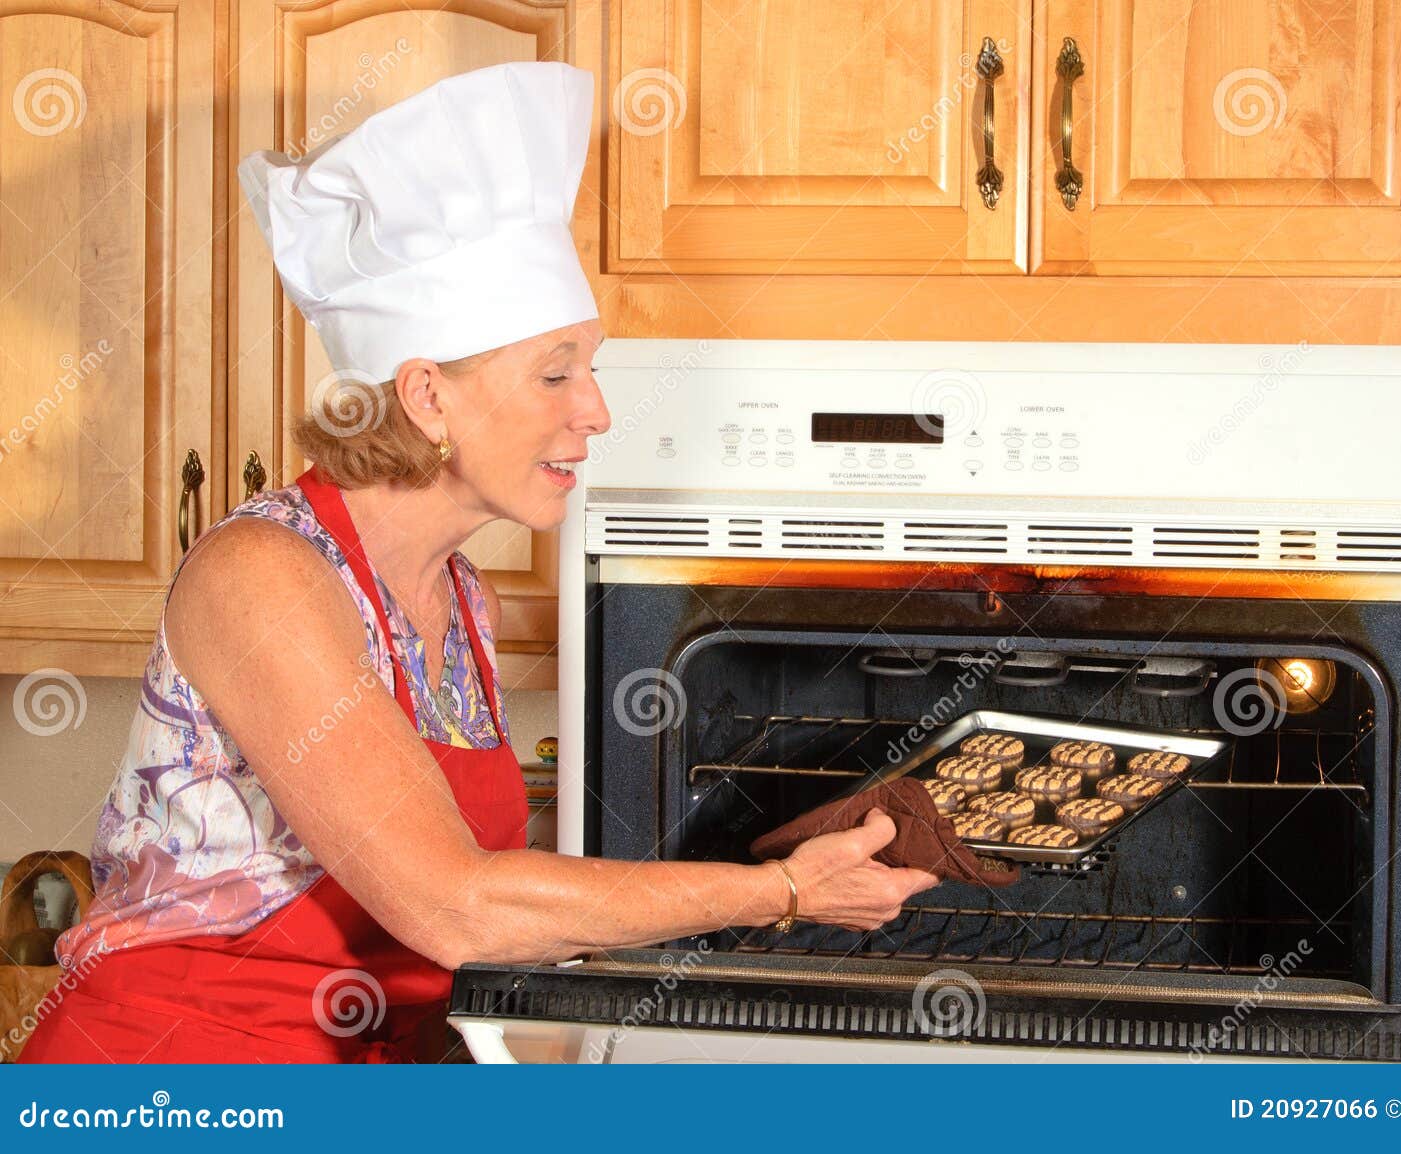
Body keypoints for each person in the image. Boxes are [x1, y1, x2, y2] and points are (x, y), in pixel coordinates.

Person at [18, 62, 937, 1064]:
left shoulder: (463, 599)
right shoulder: (263, 577)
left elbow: (478, 897)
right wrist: (782, 891)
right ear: (427, 397)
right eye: (555, 373)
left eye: (590, 368)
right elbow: (455, 905)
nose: (596, 410)